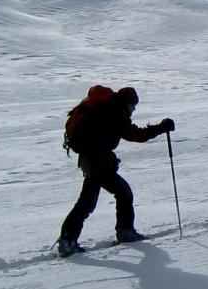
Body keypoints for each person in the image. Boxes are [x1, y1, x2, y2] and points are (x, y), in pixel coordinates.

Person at [58, 86, 174, 256]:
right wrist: (160, 128)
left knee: (92, 200)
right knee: (117, 194)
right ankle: (122, 232)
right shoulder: (115, 111)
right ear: (127, 103)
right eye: (133, 105)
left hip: (90, 159)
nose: (133, 109)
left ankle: (68, 239)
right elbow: (135, 135)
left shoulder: (106, 108)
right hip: (97, 161)